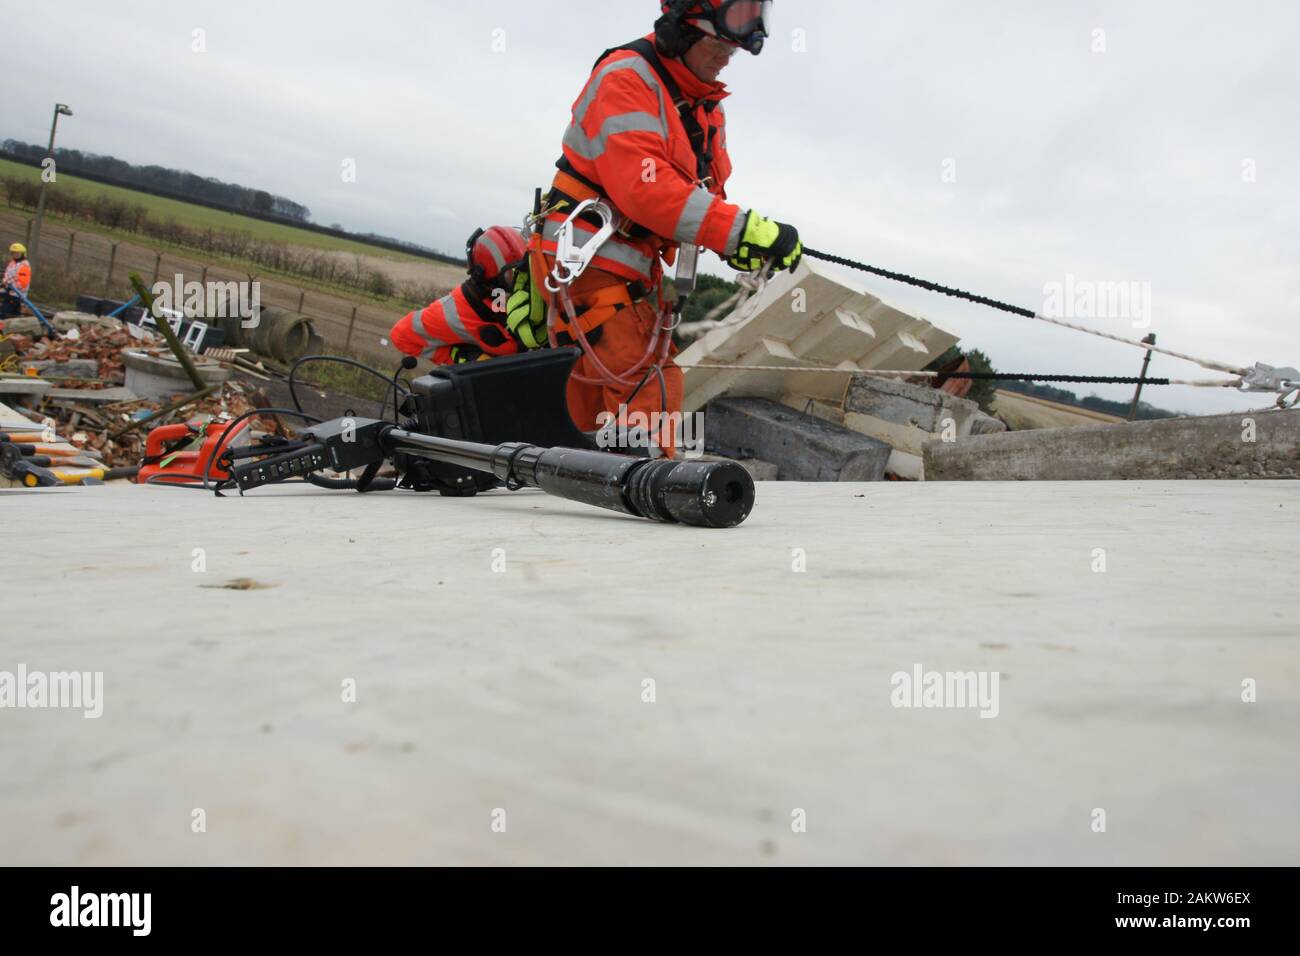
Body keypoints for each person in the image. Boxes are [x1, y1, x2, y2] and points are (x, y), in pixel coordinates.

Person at [506, 0, 802, 456]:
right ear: (680, 31)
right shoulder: (627, 78)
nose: (728, 55)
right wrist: (739, 230)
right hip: (593, 263)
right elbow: (645, 190)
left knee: (591, 395)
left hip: (621, 269)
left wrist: (735, 242)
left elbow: (699, 191)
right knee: (646, 388)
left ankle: (576, 479)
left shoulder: (701, 103)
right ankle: (647, 490)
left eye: (736, 47)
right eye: (719, 41)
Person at [390, 226, 531, 364]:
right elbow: (402, 336)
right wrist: (462, 357)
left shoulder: (536, 295)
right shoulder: (454, 312)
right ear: (489, 278)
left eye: (527, 271)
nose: (525, 282)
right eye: (513, 276)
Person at [1, 243, 32, 321]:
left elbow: (22, 284)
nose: (15, 255)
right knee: (6, 313)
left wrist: (9, 284)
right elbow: (6, 276)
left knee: (7, 315)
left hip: (16, 295)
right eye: (13, 253)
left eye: (17, 253)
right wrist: (5, 282)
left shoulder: (24, 266)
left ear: (22, 254)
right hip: (8, 292)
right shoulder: (12, 263)